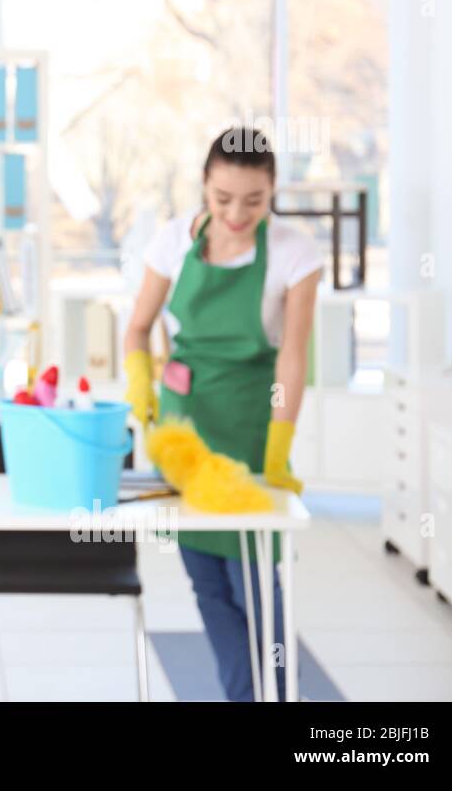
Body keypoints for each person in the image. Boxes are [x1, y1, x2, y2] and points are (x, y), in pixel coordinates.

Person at [123, 126, 322, 701]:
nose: (237, 214)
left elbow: (292, 355)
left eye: (254, 201)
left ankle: (280, 693)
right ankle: (242, 694)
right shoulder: (171, 241)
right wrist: (141, 384)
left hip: (251, 424)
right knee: (206, 580)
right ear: (204, 187)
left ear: (274, 191)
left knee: (255, 579)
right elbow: (138, 327)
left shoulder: (294, 254)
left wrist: (279, 442)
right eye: (222, 198)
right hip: (185, 432)